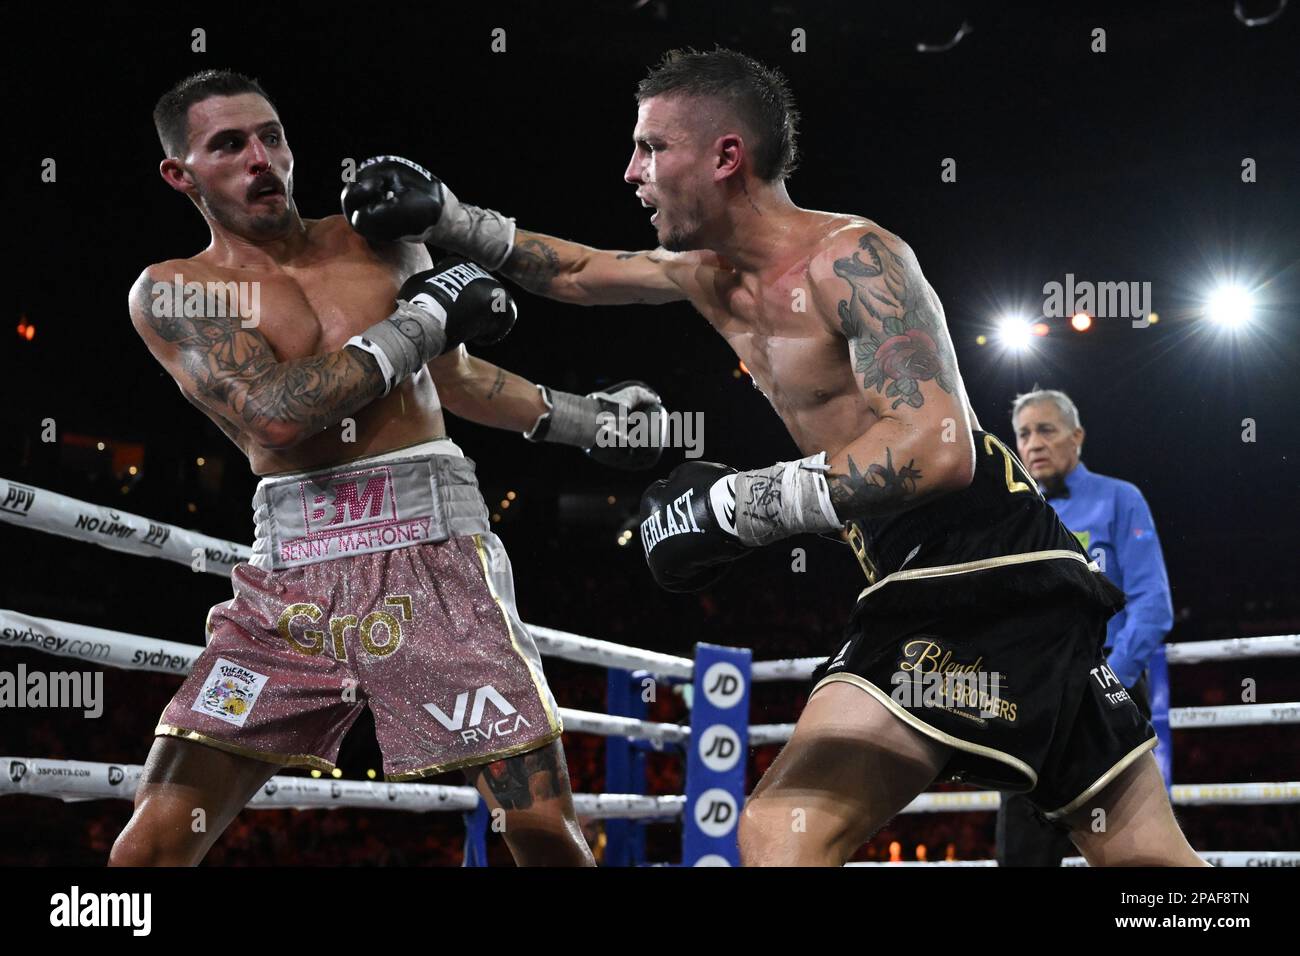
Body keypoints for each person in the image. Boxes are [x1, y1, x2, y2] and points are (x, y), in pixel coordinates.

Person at [354, 47, 1205, 866]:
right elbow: (575, 271)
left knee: (780, 834)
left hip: (963, 568)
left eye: (651, 147)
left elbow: (936, 449)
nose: (630, 171)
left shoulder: (854, 258)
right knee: (1149, 862)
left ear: (726, 156)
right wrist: (448, 218)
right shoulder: (704, 275)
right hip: (998, 578)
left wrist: (736, 509)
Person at [110, 69, 663, 867]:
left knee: (540, 831)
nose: (261, 158)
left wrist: (591, 422)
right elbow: (273, 412)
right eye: (229, 145)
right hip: (291, 583)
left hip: (434, 548)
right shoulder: (178, 290)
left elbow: (453, 375)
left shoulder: (377, 239)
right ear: (180, 173)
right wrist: (425, 319)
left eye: (272, 136)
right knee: (153, 843)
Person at [996, 388, 1174, 866]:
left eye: (1046, 430)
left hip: (1105, 691)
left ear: (1076, 437)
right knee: (1022, 858)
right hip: (1032, 706)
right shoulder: (1008, 515)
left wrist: (1106, 681)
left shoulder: (1120, 499)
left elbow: (1153, 604)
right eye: (1024, 433)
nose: (1033, 443)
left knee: (1134, 855)